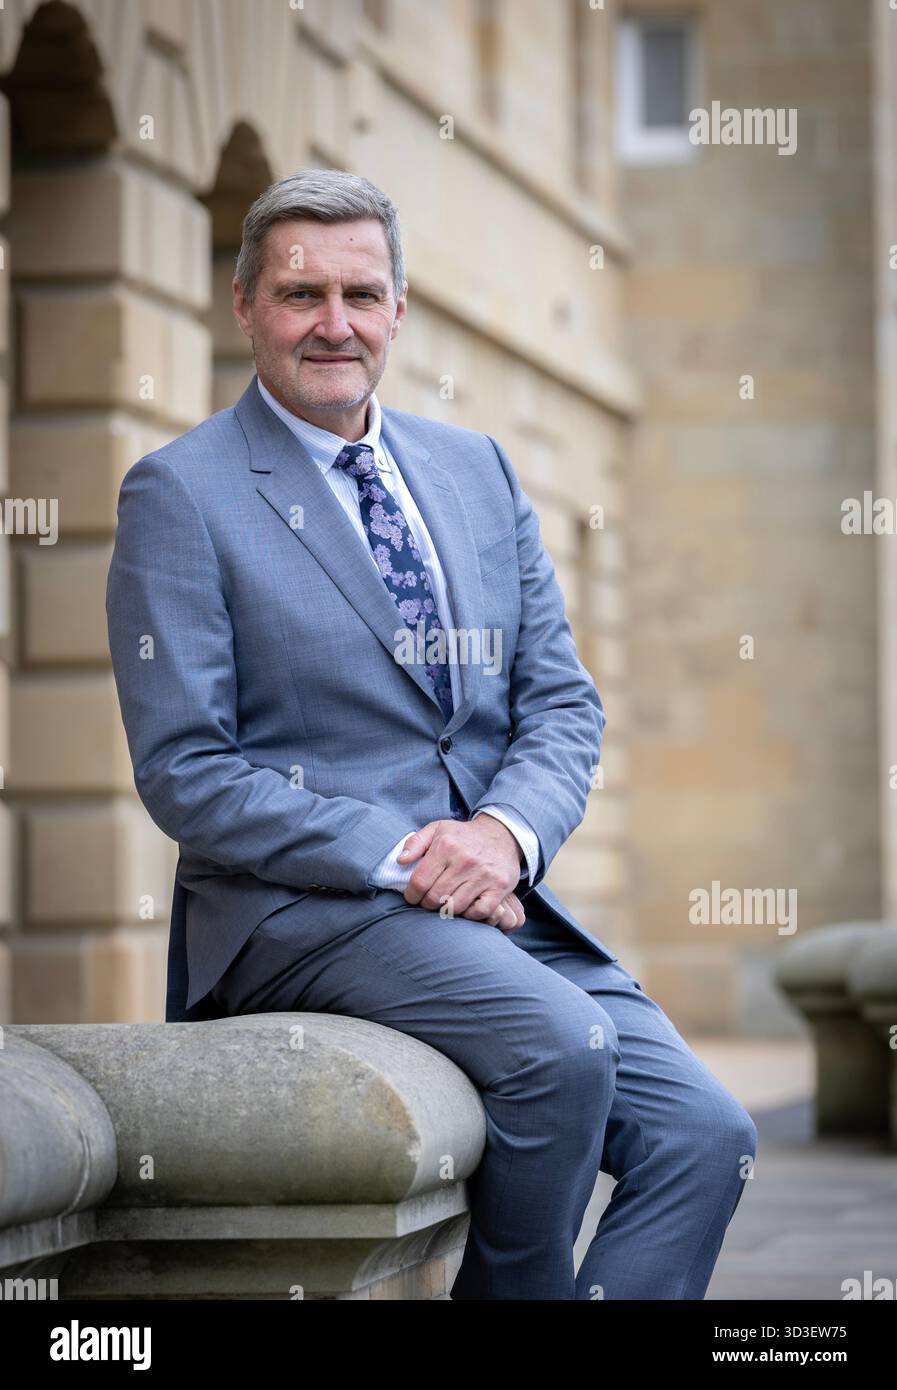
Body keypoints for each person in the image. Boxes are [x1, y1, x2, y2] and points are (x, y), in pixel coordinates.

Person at [106, 168, 756, 1300]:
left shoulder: (474, 472)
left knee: (708, 1134)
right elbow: (186, 770)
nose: (334, 323)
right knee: (563, 1047)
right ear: (245, 306)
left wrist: (501, 835)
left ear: (399, 309)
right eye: (301, 294)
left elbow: (561, 704)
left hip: (497, 898)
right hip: (302, 911)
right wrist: (409, 855)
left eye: (362, 293)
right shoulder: (182, 494)